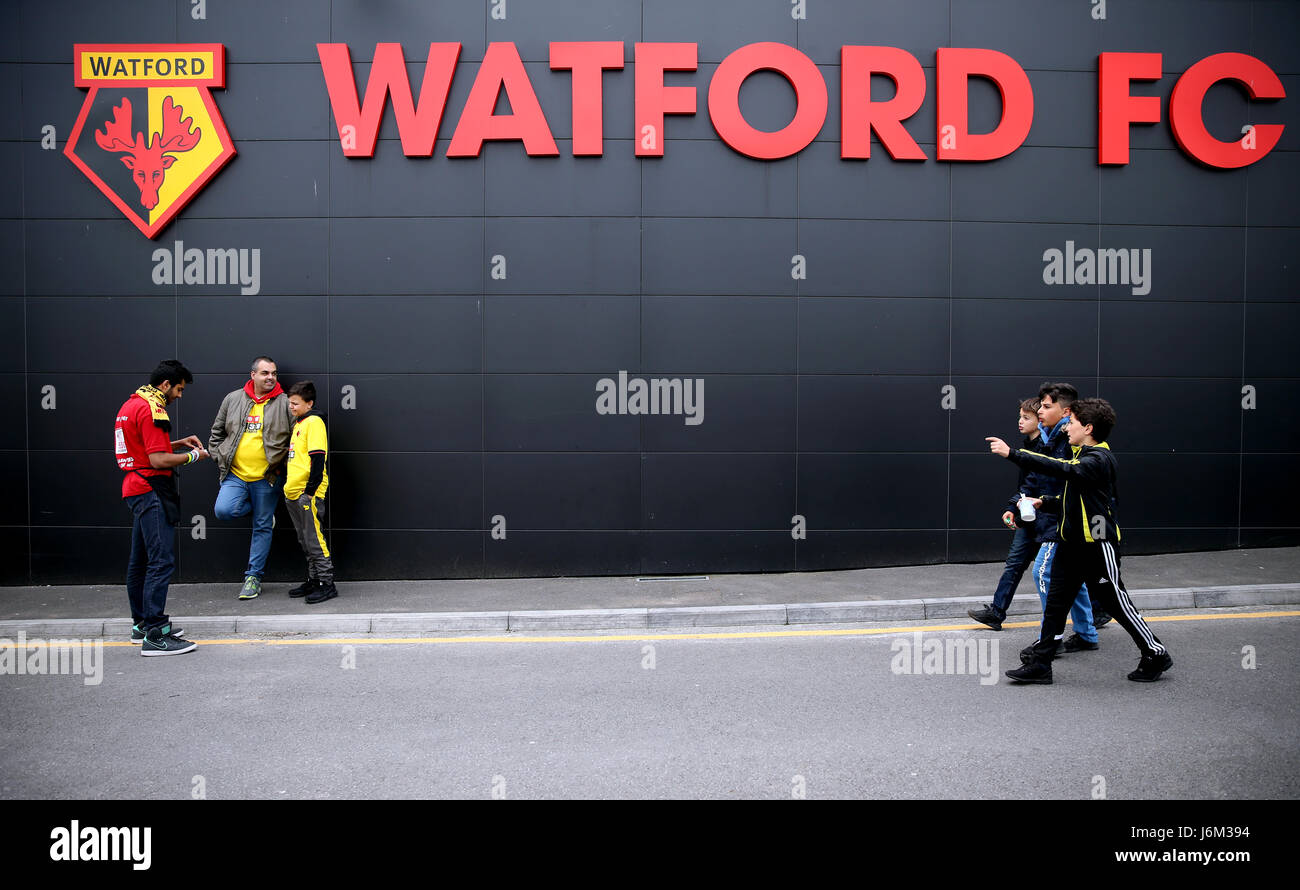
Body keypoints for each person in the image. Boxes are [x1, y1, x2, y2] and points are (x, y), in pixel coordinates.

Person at [987, 398, 1173, 684]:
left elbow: (1062, 469)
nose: (1066, 428)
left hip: (1097, 545)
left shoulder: (1098, 459)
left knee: (1116, 603)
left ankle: (1155, 652)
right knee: (1056, 605)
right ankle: (1041, 664)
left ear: (1088, 427)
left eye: (1071, 423)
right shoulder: (1083, 456)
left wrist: (1014, 453)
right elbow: (1072, 499)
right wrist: (1044, 502)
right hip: (1071, 544)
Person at [115, 360, 209, 655]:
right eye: (179, 389)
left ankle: (141, 625)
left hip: (135, 487)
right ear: (166, 384)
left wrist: (178, 443)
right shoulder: (154, 408)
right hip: (151, 490)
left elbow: (143, 448)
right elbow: (157, 461)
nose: (180, 396)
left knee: (140, 561)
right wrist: (194, 456)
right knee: (161, 560)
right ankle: (155, 634)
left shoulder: (131, 404)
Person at [1025, 383, 1105, 656]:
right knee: (1076, 580)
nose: (1040, 411)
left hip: (1061, 522)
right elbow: (1038, 477)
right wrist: (1018, 502)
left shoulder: (1067, 439)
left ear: (1066, 411)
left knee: (1043, 573)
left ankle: (1051, 639)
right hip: (1056, 517)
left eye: (1047, 406)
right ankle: (1086, 633)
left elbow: (1059, 477)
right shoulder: (1049, 436)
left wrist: (1012, 454)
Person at [209, 356, 292, 600]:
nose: (270, 378)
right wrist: (219, 456)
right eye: (265, 373)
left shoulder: (285, 402)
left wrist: (281, 467)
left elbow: (296, 438)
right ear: (253, 375)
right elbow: (217, 432)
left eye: (274, 374)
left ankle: (253, 577)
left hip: (267, 477)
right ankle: (261, 513)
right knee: (223, 510)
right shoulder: (233, 399)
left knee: (262, 526)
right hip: (235, 474)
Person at [968, 398, 1044, 630]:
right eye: (1020, 416)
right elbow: (1026, 486)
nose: (1020, 422)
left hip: (1047, 517)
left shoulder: (1044, 448)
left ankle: (1094, 612)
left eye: (1026, 418)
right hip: (1029, 516)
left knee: (1058, 572)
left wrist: (1009, 452)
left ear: (1040, 421)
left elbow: (1034, 481)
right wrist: (1013, 507)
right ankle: (997, 612)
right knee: (1014, 564)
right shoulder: (1029, 446)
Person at [282, 381, 337, 604]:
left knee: (314, 539)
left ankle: (327, 583)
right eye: (290, 403)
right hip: (293, 492)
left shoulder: (314, 422)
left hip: (308, 493)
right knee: (305, 539)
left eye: (295, 403)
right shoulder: (300, 423)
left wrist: (310, 492)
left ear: (309, 403)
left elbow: (317, 458)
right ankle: (314, 580)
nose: (291, 407)